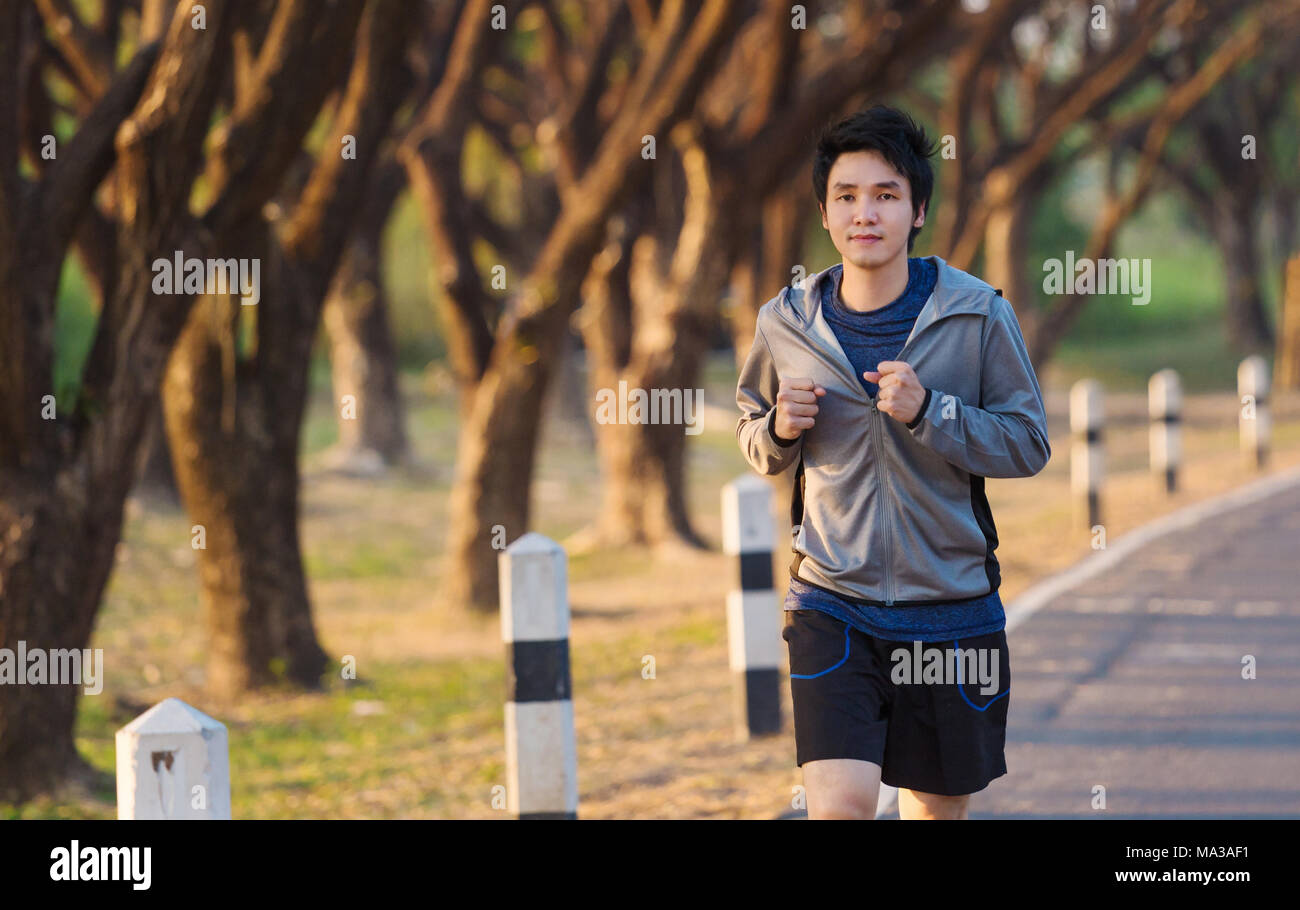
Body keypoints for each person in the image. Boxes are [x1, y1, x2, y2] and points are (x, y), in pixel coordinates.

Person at [735, 105, 1051, 820]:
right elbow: (752, 432)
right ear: (824, 212)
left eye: (885, 195)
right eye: (846, 196)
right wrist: (779, 430)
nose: (864, 213)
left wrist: (931, 412)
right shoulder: (783, 322)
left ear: (917, 209)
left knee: (934, 811)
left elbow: (1028, 442)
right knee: (841, 806)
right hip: (831, 602)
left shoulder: (977, 314)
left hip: (951, 609)